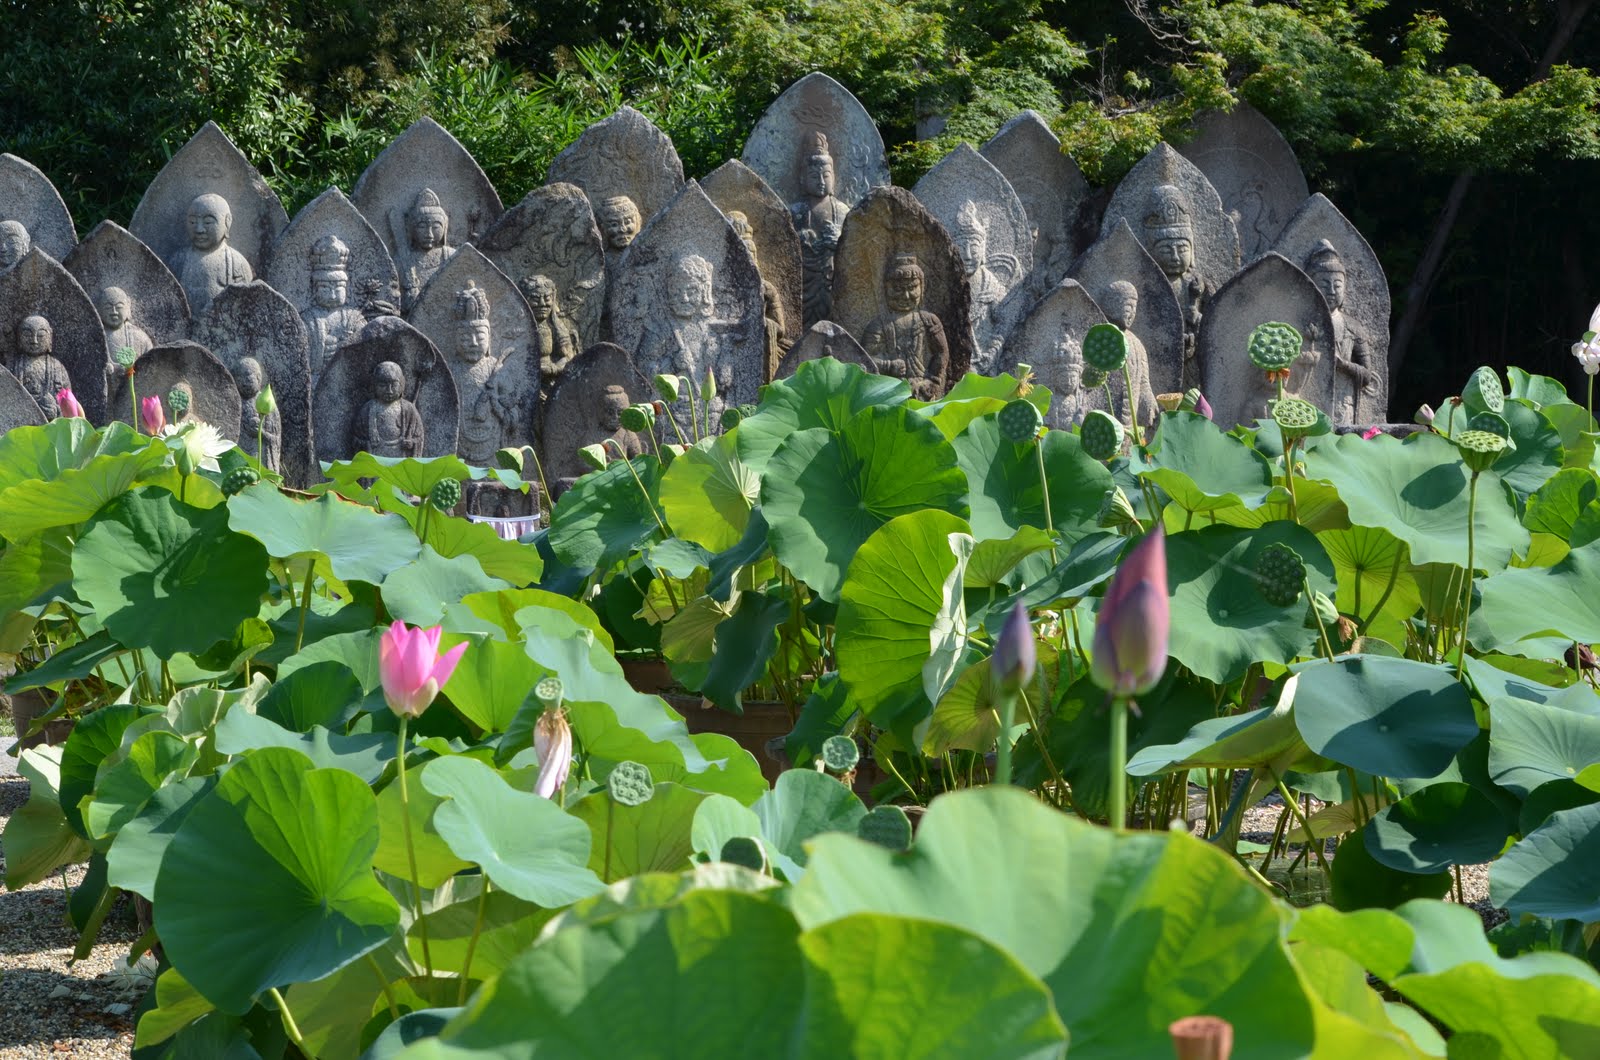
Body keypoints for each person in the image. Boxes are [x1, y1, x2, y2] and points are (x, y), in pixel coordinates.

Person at [1305, 239, 1376, 423]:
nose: (1331, 290)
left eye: (1337, 285)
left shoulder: (1353, 327)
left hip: (1343, 404)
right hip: (1309, 400)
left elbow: (1367, 375)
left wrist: (1343, 365)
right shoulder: (1303, 323)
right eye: (1324, 284)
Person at [1144, 184, 1206, 388]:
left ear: (1192, 250)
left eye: (1182, 249)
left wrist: (1197, 320)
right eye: (1166, 250)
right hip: (1159, 356)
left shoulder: (1196, 283)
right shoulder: (1149, 285)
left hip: (1192, 354)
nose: (1175, 256)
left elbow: (1216, 320)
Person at [862, 254, 948, 400]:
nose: (906, 296)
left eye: (912, 288)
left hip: (922, 390)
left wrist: (932, 381)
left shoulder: (929, 321)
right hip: (889, 391)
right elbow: (864, 360)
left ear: (922, 288)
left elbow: (941, 353)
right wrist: (888, 366)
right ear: (886, 289)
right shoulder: (879, 325)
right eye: (897, 289)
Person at [788, 131, 850, 326]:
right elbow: (784, 249)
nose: (821, 182)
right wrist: (801, 239)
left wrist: (838, 241)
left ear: (834, 178)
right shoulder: (796, 211)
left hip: (832, 278)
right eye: (814, 176)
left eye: (826, 176)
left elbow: (854, 247)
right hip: (805, 280)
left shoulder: (842, 210)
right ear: (802, 179)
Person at [953, 200, 1017, 365]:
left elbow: (1006, 321)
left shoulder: (990, 283)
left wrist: (993, 350)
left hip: (985, 359)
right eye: (961, 247)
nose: (967, 255)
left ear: (983, 250)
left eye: (974, 248)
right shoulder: (947, 281)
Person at [451, 282, 509, 465]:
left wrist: (495, 404)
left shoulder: (495, 369)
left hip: (492, 440)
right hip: (460, 441)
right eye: (465, 337)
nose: (473, 342)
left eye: (480, 337)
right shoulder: (451, 369)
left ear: (489, 339)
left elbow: (512, 410)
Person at [726, 210, 788, 373]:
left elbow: (781, 330)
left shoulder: (766, 288)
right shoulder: (722, 287)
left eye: (751, 255)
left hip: (760, 343)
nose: (748, 262)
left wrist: (764, 323)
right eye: (741, 256)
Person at [1095, 280, 1160, 427]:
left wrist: (1148, 400)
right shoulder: (1101, 337)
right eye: (1128, 307)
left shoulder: (1136, 344)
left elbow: (1143, 381)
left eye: (1134, 308)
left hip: (1131, 417)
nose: (1132, 313)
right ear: (1113, 305)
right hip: (1105, 413)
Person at [176, 193, 253, 314]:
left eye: (208, 222)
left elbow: (244, 306)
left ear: (227, 222)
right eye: (192, 222)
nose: (199, 229)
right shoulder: (178, 261)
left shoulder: (236, 263)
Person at [302, 235, 365, 379]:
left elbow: (366, 348)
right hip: (316, 379)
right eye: (324, 288)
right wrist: (319, 350)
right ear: (314, 289)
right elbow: (297, 352)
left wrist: (346, 346)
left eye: (338, 288)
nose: (332, 295)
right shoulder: (308, 319)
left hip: (347, 378)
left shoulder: (354, 318)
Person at [521, 274, 580, 397]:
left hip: (550, 384)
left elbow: (568, 357)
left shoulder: (555, 327)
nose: (542, 304)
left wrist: (553, 368)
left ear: (553, 298)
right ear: (524, 299)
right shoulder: (517, 329)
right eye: (535, 299)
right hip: (521, 382)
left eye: (547, 298)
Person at [395, 188, 455, 310]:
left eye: (436, 227)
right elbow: (394, 297)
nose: (429, 234)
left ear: (444, 229)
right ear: (411, 229)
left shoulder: (450, 256)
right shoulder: (402, 260)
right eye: (422, 227)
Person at [353, 360, 425, 458]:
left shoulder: (409, 410)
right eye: (382, 385)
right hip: (375, 458)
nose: (389, 390)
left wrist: (411, 443)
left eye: (394, 385)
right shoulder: (367, 410)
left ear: (402, 385)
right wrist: (367, 444)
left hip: (401, 457)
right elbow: (356, 439)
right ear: (374, 385)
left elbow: (419, 437)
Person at [11, 314, 70, 418]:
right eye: (27, 335)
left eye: (41, 335)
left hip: (50, 424)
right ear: (19, 338)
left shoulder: (58, 368)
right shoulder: (13, 365)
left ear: (50, 338)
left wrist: (56, 410)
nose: (34, 341)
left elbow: (68, 403)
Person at [96, 287, 153, 379]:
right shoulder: (95, 337)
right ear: (98, 309)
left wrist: (132, 369)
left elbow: (151, 366)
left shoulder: (140, 337)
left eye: (119, 307)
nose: (114, 312)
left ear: (128, 307)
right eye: (108, 307)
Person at [236, 356, 281, 471]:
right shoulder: (235, 402)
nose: (242, 381)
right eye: (238, 377)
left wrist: (261, 433)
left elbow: (275, 439)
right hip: (238, 454)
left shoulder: (268, 405)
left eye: (247, 376)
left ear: (258, 378)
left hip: (260, 456)